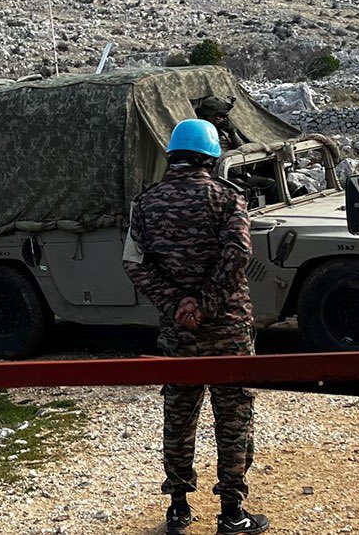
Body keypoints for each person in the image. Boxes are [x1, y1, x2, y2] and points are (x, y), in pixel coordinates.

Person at [123, 119, 270, 535]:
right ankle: (232, 513)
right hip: (228, 328)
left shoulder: (146, 203)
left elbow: (134, 263)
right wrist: (205, 304)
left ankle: (178, 508)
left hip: (178, 332)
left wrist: (177, 304)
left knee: (180, 413)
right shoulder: (228, 197)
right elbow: (237, 256)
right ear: (211, 156)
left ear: (172, 155)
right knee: (234, 416)